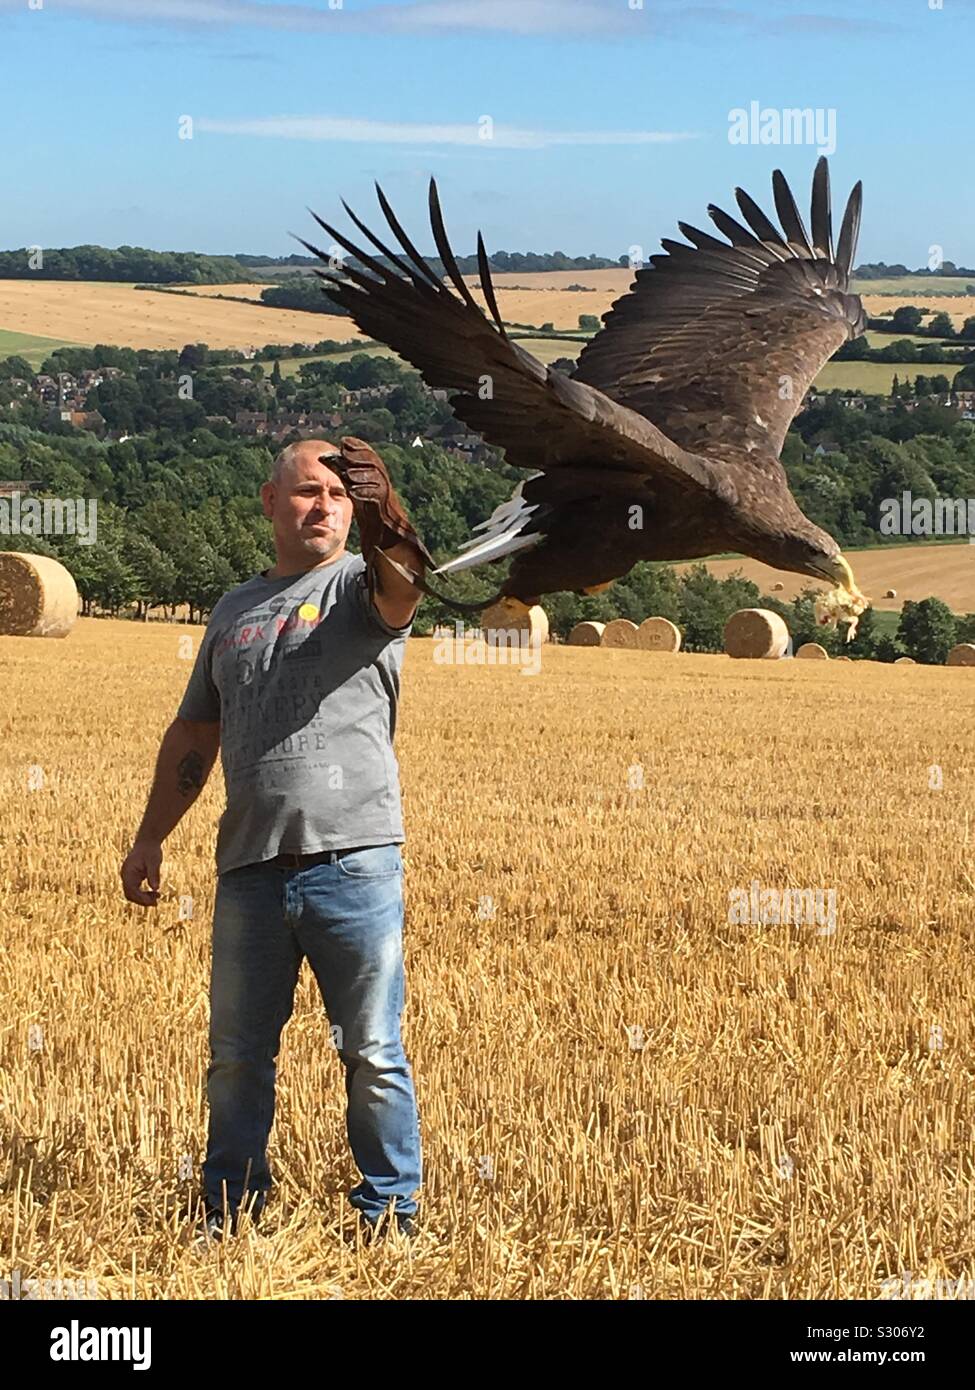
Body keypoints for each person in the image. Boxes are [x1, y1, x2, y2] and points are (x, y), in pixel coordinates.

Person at [120, 436, 432, 1243]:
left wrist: (387, 508)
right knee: (235, 1058)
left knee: (370, 1052)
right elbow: (195, 731)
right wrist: (151, 836)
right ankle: (228, 1210)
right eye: (305, 492)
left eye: (338, 493)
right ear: (270, 503)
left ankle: (390, 1216)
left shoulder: (364, 586)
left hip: (353, 860)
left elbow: (406, 585)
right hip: (249, 870)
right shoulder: (232, 611)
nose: (323, 504)